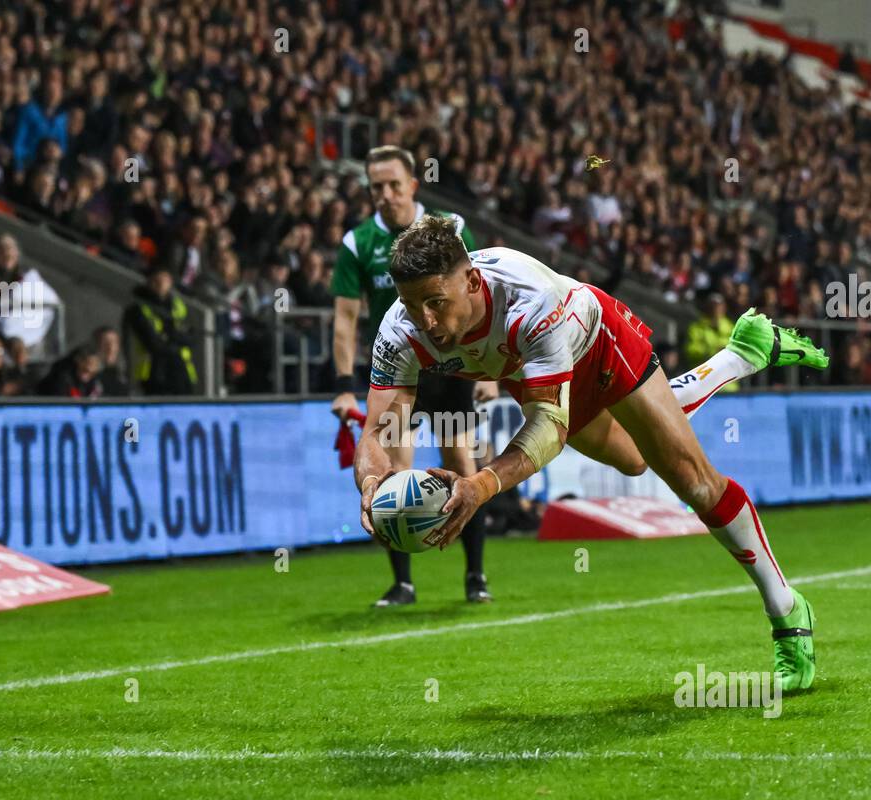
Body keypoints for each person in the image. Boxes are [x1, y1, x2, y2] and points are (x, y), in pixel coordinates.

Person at [354, 217, 829, 691]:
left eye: (436, 302)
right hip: (529, 368)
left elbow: (549, 429)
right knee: (635, 457)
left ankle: (786, 611)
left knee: (694, 482)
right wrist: (372, 483)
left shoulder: (529, 299)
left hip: (597, 338)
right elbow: (375, 432)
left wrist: (480, 485)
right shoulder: (400, 330)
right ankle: (738, 356)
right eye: (412, 304)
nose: (426, 321)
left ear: (473, 282)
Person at [330, 145, 497, 607]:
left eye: (393, 184)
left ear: (412, 185)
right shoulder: (358, 243)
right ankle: (403, 583)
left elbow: (480, 292)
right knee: (392, 472)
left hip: (453, 368)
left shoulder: (450, 229)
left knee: (463, 467)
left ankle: (476, 575)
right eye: (376, 187)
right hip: (397, 371)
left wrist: (490, 370)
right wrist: (343, 386)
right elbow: (345, 318)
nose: (385, 194)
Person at [123, 268, 197, 395]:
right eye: (156, 280)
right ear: (149, 282)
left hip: (182, 370)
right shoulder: (138, 309)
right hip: (153, 371)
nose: (161, 284)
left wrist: (171, 336)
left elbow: (193, 338)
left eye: (164, 280)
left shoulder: (179, 306)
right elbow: (152, 343)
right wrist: (177, 338)